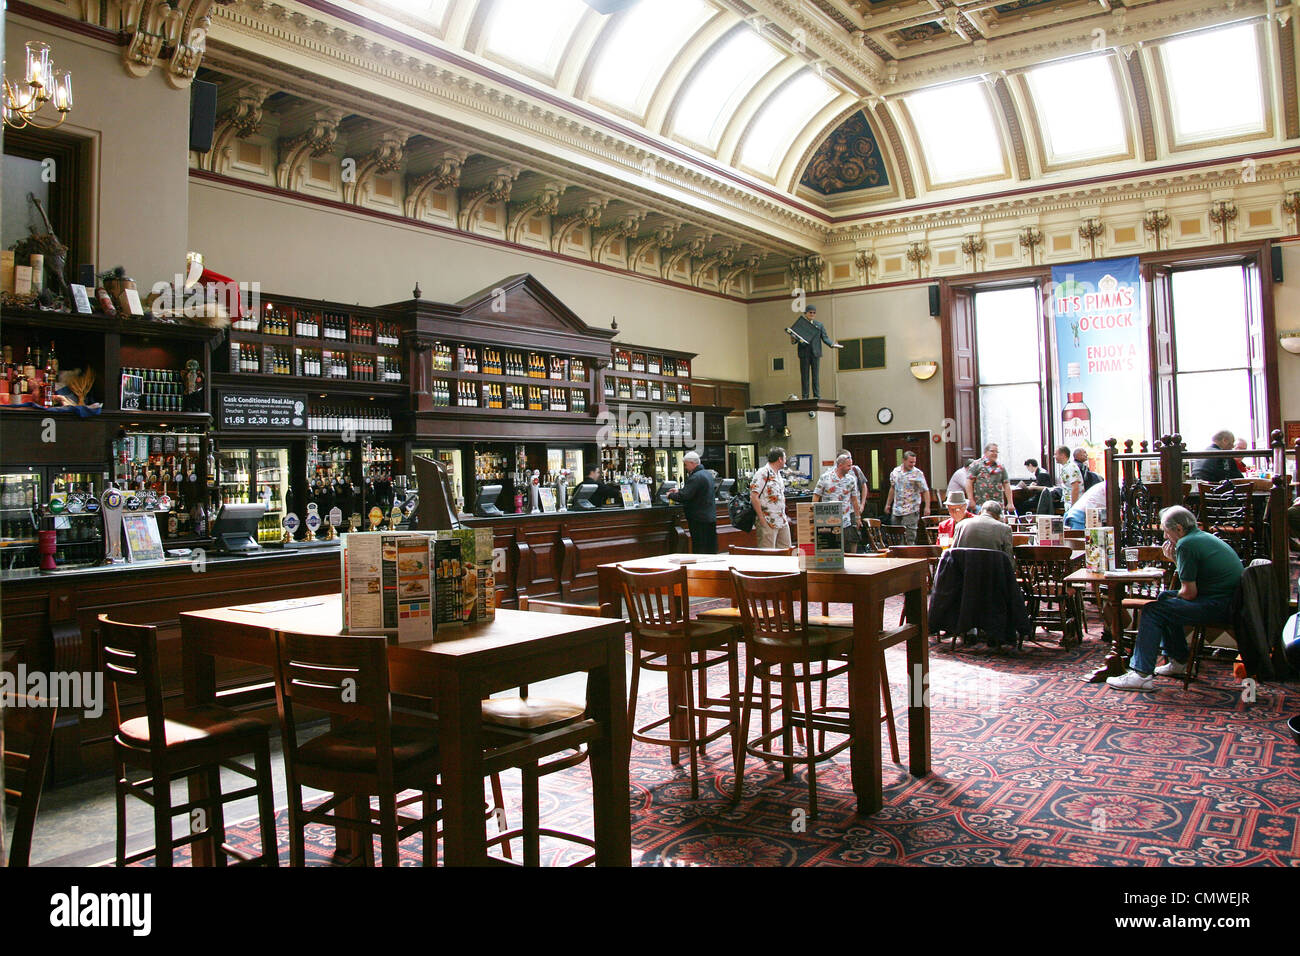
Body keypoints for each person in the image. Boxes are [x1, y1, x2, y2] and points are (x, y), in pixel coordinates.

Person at [1108, 505, 1244, 691]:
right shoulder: (1199, 537)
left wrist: (1177, 559)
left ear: (1179, 528)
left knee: (1153, 610)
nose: (1165, 537)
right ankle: (1178, 660)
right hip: (1229, 600)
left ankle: (1141, 674)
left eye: (1166, 531)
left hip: (1220, 605)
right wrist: (1176, 560)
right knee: (1164, 598)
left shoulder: (1186, 544)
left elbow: (1188, 593)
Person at [668, 450, 717, 554]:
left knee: (699, 547)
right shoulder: (707, 474)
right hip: (709, 516)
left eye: (686, 465)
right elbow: (695, 492)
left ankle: (700, 569)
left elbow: (685, 496)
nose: (685, 468)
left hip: (698, 518)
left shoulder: (695, 477)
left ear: (692, 463)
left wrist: (670, 495)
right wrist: (679, 491)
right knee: (709, 547)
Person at [790, 304, 842, 399]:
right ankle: (805, 396)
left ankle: (816, 395)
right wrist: (792, 337)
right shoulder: (801, 324)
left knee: (815, 376)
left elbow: (825, 337)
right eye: (810, 312)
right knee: (804, 376)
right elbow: (794, 340)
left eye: (814, 313)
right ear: (805, 313)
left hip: (815, 353)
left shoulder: (819, 325)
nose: (812, 314)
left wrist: (832, 344)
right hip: (804, 354)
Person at [813, 452, 861, 553]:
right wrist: (814, 516)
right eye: (848, 465)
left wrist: (857, 517)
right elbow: (816, 496)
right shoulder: (825, 477)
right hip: (828, 522)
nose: (850, 468)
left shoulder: (851, 480)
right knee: (831, 550)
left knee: (846, 550)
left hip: (845, 521)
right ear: (840, 465)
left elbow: (854, 499)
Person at [885, 450, 930, 544]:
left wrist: (927, 507)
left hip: (911, 509)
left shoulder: (918, 473)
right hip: (897, 509)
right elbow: (892, 488)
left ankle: (908, 555)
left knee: (909, 536)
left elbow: (925, 490)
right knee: (896, 536)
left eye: (914, 462)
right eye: (910, 462)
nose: (912, 464)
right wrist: (888, 504)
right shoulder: (895, 472)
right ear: (904, 460)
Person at [750, 446, 791, 550]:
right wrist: (762, 519)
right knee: (768, 553)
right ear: (780, 459)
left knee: (786, 549)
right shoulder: (763, 473)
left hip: (781, 519)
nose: (786, 460)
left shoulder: (778, 474)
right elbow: (754, 496)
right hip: (768, 519)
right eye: (785, 458)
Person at [965, 443, 1014, 512]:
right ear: (985, 452)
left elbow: (1006, 484)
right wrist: (971, 500)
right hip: (980, 504)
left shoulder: (1000, 467)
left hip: (997, 504)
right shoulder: (976, 464)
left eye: (996, 452)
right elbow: (969, 483)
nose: (995, 453)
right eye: (992, 451)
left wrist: (1010, 503)